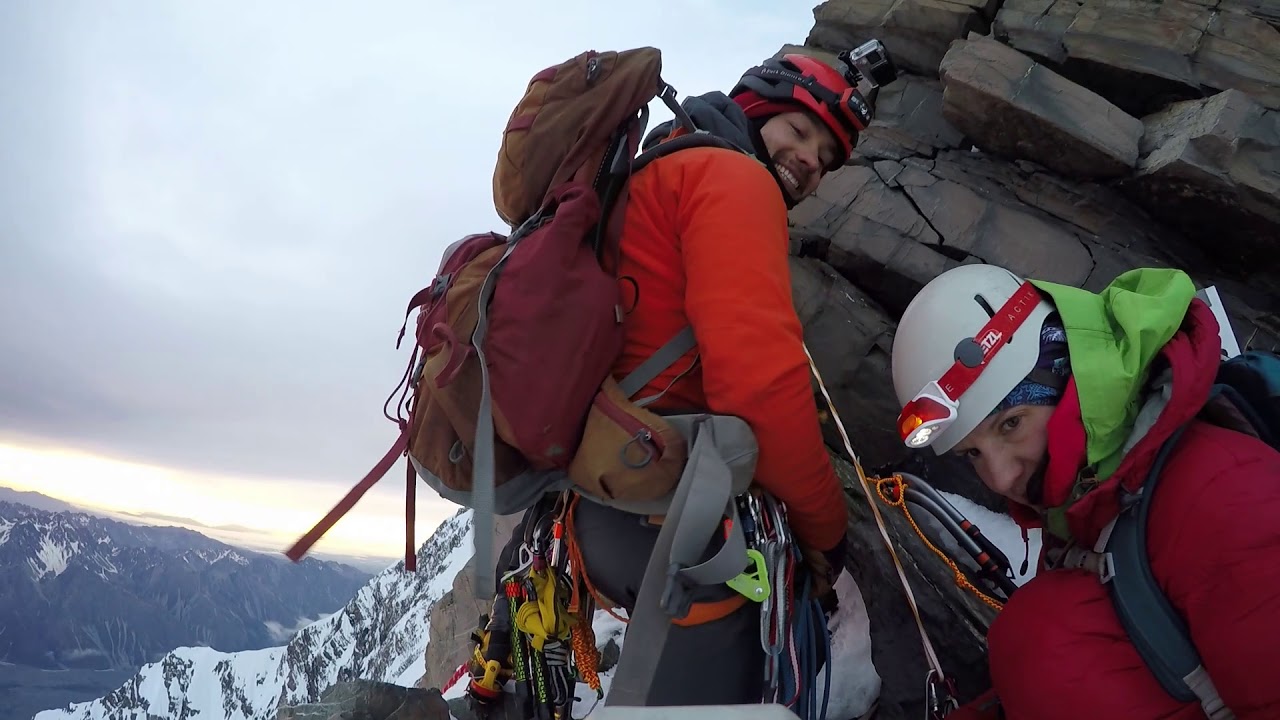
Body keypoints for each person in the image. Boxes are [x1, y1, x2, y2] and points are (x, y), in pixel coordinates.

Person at [486, 52, 870, 706]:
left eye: (827, 157)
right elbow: (759, 387)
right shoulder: (733, 181)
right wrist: (826, 534)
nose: (811, 161)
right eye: (801, 133)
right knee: (729, 604)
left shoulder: (659, 164)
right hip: (654, 514)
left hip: (579, 501)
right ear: (755, 107)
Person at [889, 263, 1280, 719]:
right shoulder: (1089, 502)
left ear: (1064, 375)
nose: (999, 478)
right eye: (971, 453)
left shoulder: (1225, 497)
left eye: (1011, 424)